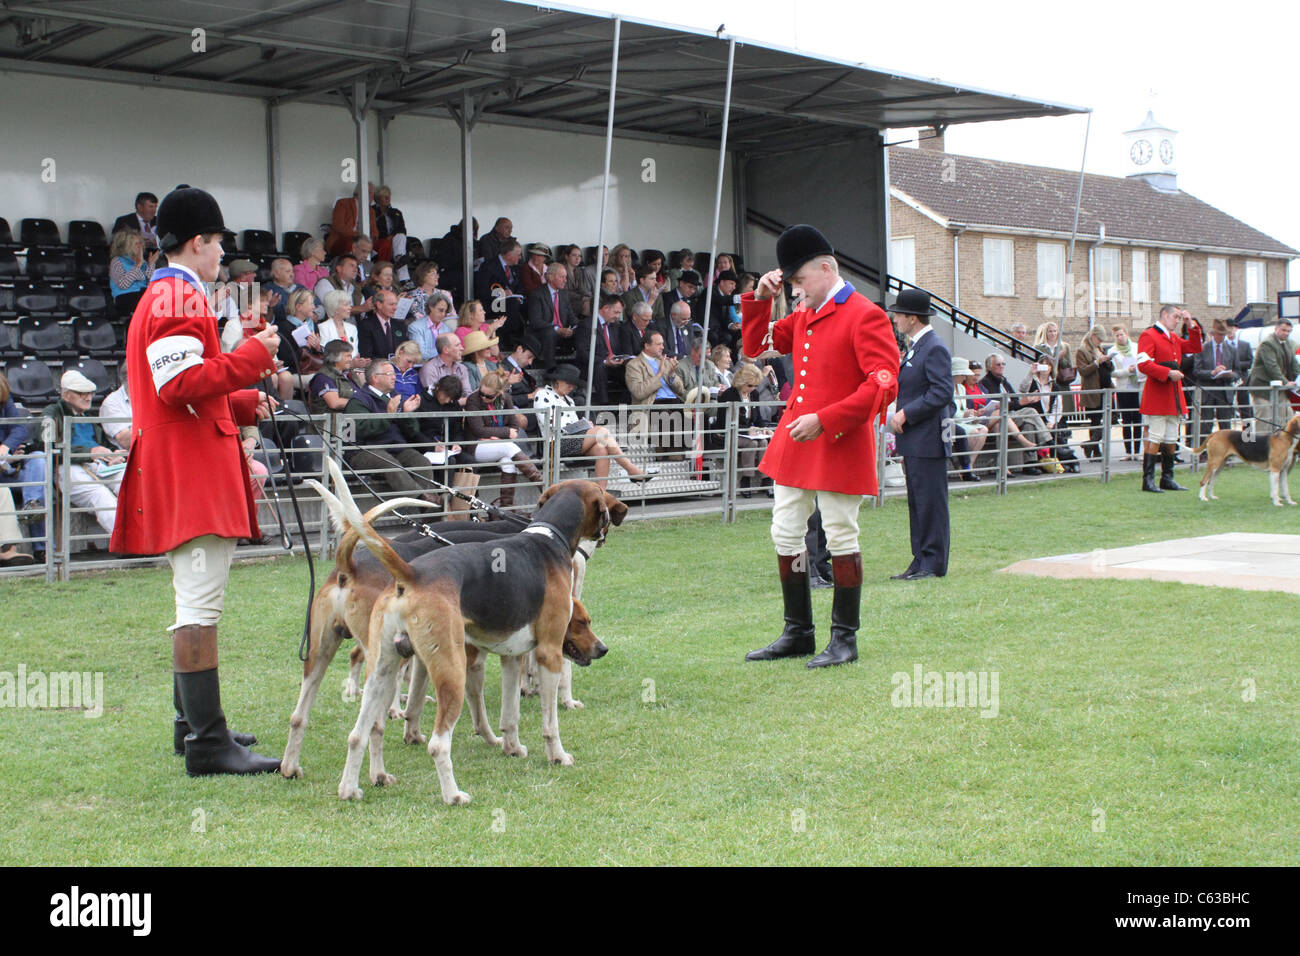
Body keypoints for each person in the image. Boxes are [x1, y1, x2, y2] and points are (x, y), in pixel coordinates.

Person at [110, 186, 281, 776]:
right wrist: (254, 356)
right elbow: (179, 385)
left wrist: (239, 401)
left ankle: (194, 727)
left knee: (195, 601)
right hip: (191, 469)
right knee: (200, 607)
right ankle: (207, 743)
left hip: (180, 456)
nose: (222, 254)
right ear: (197, 243)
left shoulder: (166, 294)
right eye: (218, 243)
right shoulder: (179, 296)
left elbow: (187, 392)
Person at [740, 224, 899, 669]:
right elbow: (756, 346)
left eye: (799, 282)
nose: (795, 292)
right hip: (797, 439)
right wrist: (760, 296)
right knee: (785, 532)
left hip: (839, 439)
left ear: (827, 269)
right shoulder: (806, 312)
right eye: (789, 285)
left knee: (841, 535)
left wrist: (826, 420)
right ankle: (798, 632)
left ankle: (844, 639)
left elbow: (884, 385)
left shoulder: (865, 314)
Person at [887, 290, 953, 580]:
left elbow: (941, 392)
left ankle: (933, 561)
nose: (895, 319)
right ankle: (920, 558)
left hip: (928, 439)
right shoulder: (918, 346)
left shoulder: (933, 347)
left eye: (899, 314)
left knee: (930, 503)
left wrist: (906, 413)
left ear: (913, 318)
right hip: (917, 440)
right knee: (917, 502)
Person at [532, 365, 648, 489]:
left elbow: (573, 427)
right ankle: (631, 469)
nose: (571, 387)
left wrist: (584, 426)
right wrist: (583, 427)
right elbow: (553, 425)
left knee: (601, 448)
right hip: (554, 443)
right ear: (557, 381)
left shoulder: (569, 400)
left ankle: (601, 494)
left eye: (573, 384)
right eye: (568, 383)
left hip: (571, 441)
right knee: (601, 431)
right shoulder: (543, 394)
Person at [43, 370, 126, 536]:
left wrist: (113, 455)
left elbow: (99, 445)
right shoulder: (51, 413)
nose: (88, 398)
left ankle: (148, 537)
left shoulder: (88, 416)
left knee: (130, 482)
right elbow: (49, 447)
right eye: (81, 394)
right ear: (66, 395)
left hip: (100, 465)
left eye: (90, 393)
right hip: (69, 466)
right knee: (100, 495)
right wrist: (90, 452)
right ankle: (124, 541)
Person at [344, 361, 439, 500]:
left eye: (394, 374)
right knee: (388, 462)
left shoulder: (396, 397)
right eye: (389, 374)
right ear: (375, 378)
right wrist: (387, 416)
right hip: (363, 451)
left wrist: (407, 415)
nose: (394, 377)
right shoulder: (359, 400)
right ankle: (421, 500)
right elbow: (359, 430)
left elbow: (412, 432)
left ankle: (431, 506)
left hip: (395, 448)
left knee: (421, 461)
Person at [1137, 305, 1203, 492]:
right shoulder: (1149, 335)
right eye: (1175, 316)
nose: (1177, 320)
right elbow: (1143, 364)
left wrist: (1191, 325)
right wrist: (1167, 373)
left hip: (1173, 394)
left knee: (1171, 437)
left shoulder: (1173, 337)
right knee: (1156, 436)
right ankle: (1148, 480)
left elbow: (1195, 347)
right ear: (1164, 315)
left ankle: (1168, 477)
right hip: (1158, 393)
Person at [463, 370, 543, 508]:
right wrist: (504, 432)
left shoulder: (506, 399)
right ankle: (543, 486)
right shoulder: (473, 400)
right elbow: (479, 430)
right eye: (482, 393)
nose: (483, 397)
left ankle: (506, 507)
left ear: (499, 393)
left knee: (508, 462)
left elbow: (515, 427)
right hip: (476, 445)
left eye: (489, 396)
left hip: (496, 444)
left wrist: (497, 436)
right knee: (508, 447)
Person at [704, 363, 771, 497]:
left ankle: (766, 480)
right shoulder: (729, 394)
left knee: (763, 442)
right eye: (750, 385)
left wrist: (764, 428)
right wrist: (747, 430)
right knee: (751, 443)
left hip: (746, 433)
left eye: (755, 386)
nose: (752, 389)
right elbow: (724, 422)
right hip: (728, 432)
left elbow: (758, 418)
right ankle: (745, 481)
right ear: (742, 382)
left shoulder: (754, 394)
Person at [1192, 318, 1238, 450]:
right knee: (1205, 424)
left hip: (1224, 391)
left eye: (1224, 335)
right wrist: (1212, 372)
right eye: (1219, 334)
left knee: (1225, 424)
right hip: (1207, 391)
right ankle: (1203, 452)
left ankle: (1227, 452)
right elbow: (1196, 371)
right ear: (1213, 334)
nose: (1222, 337)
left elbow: (1239, 371)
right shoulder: (1202, 348)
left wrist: (1230, 375)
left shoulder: (1231, 349)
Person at [1246, 318, 1299, 432]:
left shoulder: (1289, 343)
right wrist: (1286, 382)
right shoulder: (1268, 343)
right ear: (1276, 329)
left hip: (1279, 386)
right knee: (1264, 418)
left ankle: (1283, 446)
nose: (1286, 333)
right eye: (1283, 330)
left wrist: (1298, 379)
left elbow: (1293, 364)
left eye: (1289, 331)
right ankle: (1261, 447)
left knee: (1287, 416)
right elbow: (1272, 367)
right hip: (1262, 387)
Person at [525, 261, 577, 370]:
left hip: (563, 334)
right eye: (561, 277)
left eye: (565, 277)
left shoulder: (564, 294)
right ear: (551, 277)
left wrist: (574, 328)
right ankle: (551, 368)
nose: (565, 280)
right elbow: (536, 321)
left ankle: (581, 369)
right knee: (550, 332)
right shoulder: (537, 294)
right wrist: (557, 329)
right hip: (543, 333)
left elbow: (571, 317)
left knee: (584, 329)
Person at [576, 292, 625, 406]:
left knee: (632, 369)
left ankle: (626, 405)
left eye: (619, 313)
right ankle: (604, 405)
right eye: (616, 312)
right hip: (592, 366)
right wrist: (604, 361)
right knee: (600, 367)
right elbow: (583, 353)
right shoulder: (587, 324)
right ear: (606, 308)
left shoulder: (615, 325)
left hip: (613, 364)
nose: (618, 316)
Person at [1075, 327, 1114, 460]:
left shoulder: (1100, 349)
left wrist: (1108, 360)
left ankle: (1090, 444)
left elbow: (1110, 369)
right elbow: (1083, 371)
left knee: (1112, 418)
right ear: (1092, 336)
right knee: (1096, 421)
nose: (1100, 342)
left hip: (1105, 389)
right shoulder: (1082, 351)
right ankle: (1096, 450)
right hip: (1093, 391)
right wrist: (1097, 362)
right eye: (1099, 339)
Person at [1107, 324, 1143, 460]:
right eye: (1117, 335)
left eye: (1122, 334)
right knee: (1127, 419)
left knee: (1138, 419)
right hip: (1123, 387)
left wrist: (1136, 369)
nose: (1120, 337)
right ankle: (1128, 452)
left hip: (1137, 386)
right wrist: (1128, 371)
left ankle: (1137, 451)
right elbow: (1113, 372)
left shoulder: (1137, 347)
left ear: (1126, 334)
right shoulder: (1112, 351)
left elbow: (1144, 363)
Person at [949, 357, 988, 481]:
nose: (965, 377)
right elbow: (950, 412)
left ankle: (968, 465)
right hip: (951, 421)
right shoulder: (946, 387)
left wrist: (972, 415)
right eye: (963, 374)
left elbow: (963, 409)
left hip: (962, 421)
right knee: (974, 432)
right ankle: (965, 467)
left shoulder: (961, 388)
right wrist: (965, 415)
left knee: (983, 430)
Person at [108, 229, 158, 319]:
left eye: (140, 243)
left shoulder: (143, 262)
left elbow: (150, 284)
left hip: (143, 294)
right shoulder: (117, 261)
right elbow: (123, 284)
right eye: (136, 243)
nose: (140, 246)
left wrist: (151, 264)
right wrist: (137, 266)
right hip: (125, 296)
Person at [307, 340, 359, 414]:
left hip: (352, 419)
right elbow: (335, 403)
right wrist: (362, 402)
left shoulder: (350, 374)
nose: (351, 359)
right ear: (335, 357)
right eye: (348, 356)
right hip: (333, 423)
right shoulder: (323, 377)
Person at [326, 183, 377, 256]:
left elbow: (374, 231)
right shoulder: (343, 203)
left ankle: (379, 267)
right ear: (361, 192)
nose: (373, 196)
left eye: (373, 193)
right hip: (342, 239)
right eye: (370, 192)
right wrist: (358, 236)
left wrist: (370, 238)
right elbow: (338, 226)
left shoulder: (371, 211)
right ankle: (353, 265)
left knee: (385, 244)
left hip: (364, 240)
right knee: (352, 244)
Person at [356, 289, 408, 361]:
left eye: (396, 304)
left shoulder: (400, 325)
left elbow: (405, 350)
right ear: (379, 305)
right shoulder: (366, 326)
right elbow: (366, 355)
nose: (395, 308)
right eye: (391, 304)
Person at [407, 290, 456, 360]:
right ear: (431, 307)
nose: (443, 314)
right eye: (441, 310)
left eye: (446, 312)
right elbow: (421, 354)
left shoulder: (446, 328)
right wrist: (444, 350)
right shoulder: (415, 327)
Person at [1225, 319, 1253, 425]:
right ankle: (1228, 434)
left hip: (1242, 379)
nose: (1229, 331)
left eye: (1231, 328)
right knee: (1227, 405)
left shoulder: (1245, 345)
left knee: (1245, 406)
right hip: (1228, 379)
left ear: (1236, 329)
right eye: (1227, 328)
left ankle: (1248, 437)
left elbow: (1250, 362)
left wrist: (1236, 365)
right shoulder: (1222, 345)